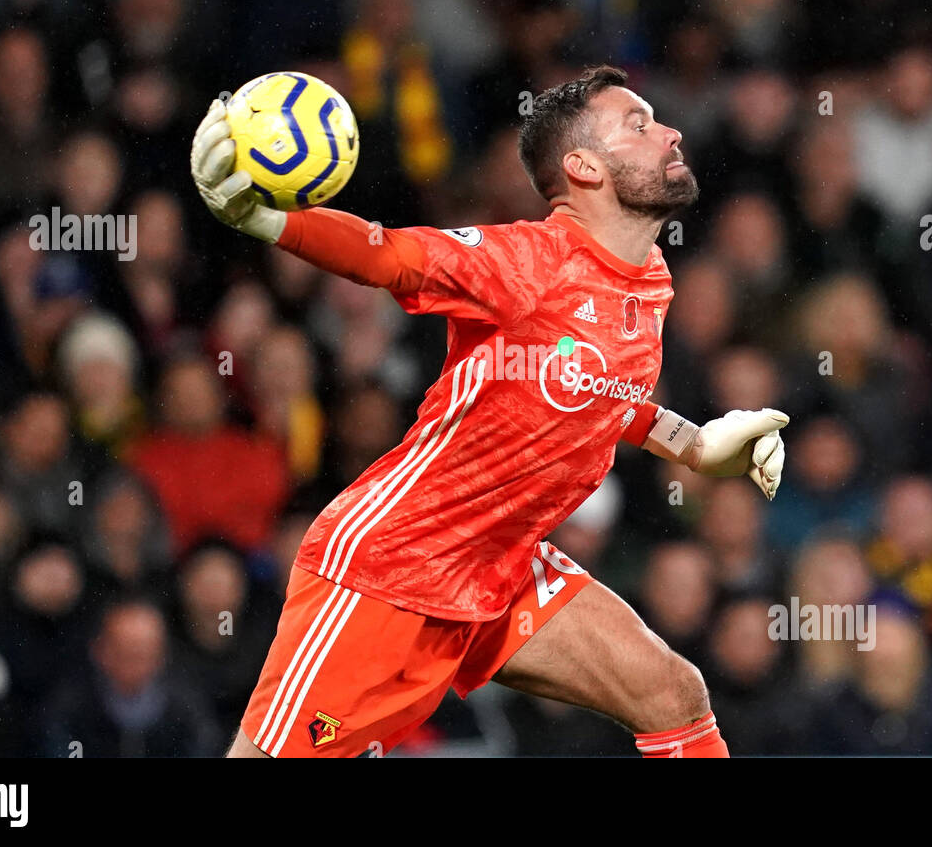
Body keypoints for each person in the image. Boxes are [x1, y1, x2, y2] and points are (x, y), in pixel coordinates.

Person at [190, 65, 791, 758]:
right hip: (395, 566)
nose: (670, 132)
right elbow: (392, 257)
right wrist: (268, 221)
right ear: (583, 166)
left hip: (502, 567)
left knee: (672, 694)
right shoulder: (527, 260)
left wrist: (694, 444)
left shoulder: (648, 279)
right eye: (639, 124)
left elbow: (591, 389)